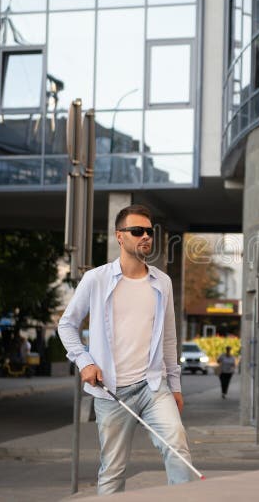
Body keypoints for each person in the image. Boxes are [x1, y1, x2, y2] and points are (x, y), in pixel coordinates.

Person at [58, 204, 194, 495]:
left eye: (149, 232)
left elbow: (169, 339)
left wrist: (175, 386)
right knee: (113, 469)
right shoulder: (96, 279)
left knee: (178, 446)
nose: (145, 236)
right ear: (119, 236)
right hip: (111, 391)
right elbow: (66, 325)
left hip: (153, 386)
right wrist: (84, 361)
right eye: (137, 231)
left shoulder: (162, 282)